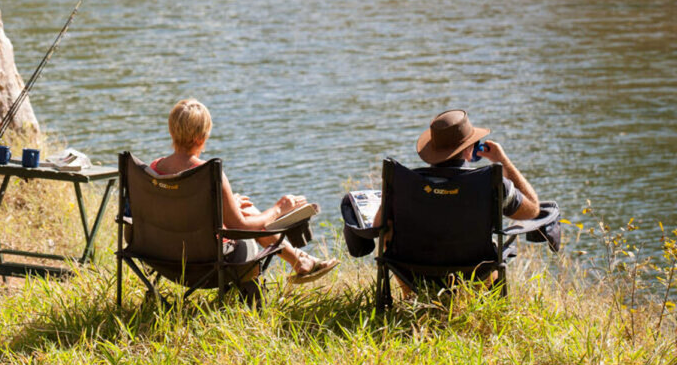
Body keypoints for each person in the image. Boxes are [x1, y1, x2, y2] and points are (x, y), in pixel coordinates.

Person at [149, 98, 339, 284]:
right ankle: (292, 264)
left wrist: (224, 205)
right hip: (208, 264)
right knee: (247, 228)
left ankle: (300, 260)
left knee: (244, 210)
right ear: (202, 137)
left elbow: (179, 208)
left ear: (171, 130)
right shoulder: (210, 174)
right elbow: (241, 227)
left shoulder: (154, 170)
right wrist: (278, 209)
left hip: (165, 259)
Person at [373, 109, 541, 291]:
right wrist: (503, 160)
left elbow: (377, 227)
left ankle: (411, 296)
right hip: (475, 274)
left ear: (432, 149)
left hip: (413, 274)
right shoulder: (491, 183)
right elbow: (532, 209)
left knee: (389, 226)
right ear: (470, 149)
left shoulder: (403, 183)